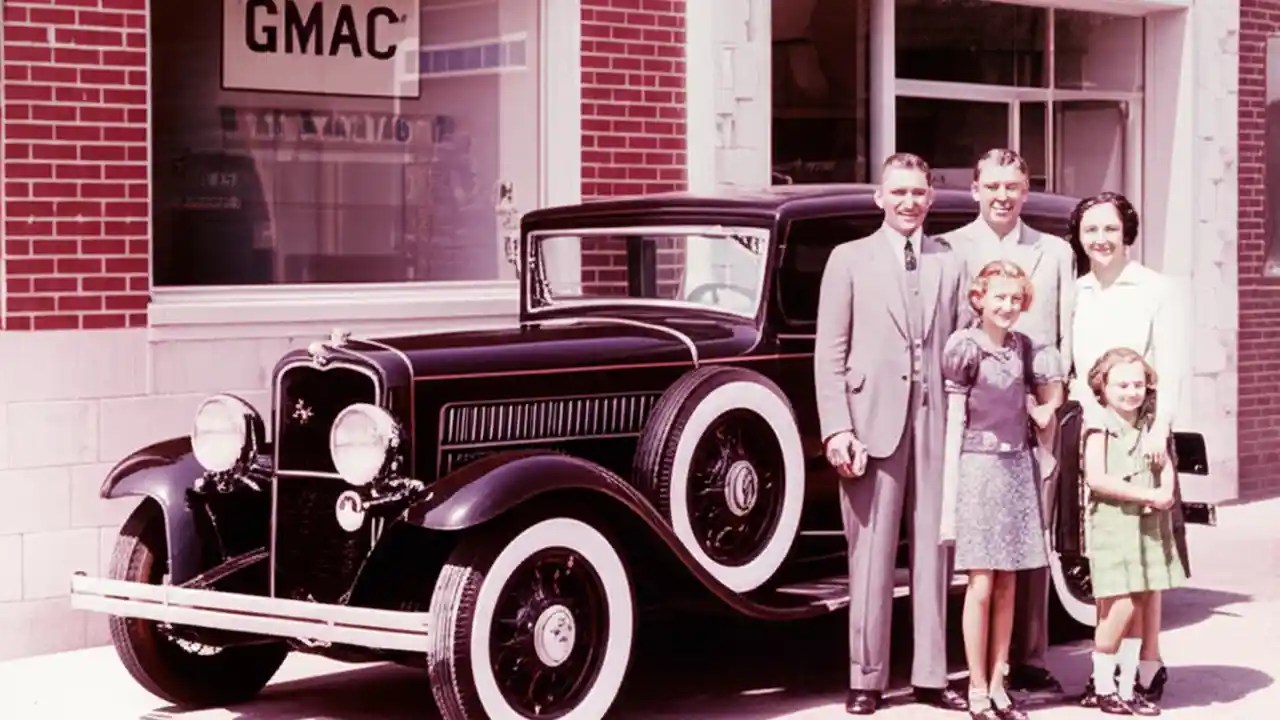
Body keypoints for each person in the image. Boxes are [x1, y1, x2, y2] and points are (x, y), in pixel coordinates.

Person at [814, 152, 970, 716]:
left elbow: (963, 341)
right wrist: (837, 428)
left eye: (918, 193)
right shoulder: (848, 259)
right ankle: (866, 678)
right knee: (871, 554)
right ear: (879, 197)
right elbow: (829, 351)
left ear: (932, 199)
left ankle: (931, 675)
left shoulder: (950, 260)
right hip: (869, 420)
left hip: (935, 420)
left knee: (935, 550)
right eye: (898, 192)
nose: (908, 202)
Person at [946, 150, 1076, 695]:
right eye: (993, 185)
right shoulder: (949, 247)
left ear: (1027, 191)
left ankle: (1028, 658)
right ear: (975, 188)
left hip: (1037, 400)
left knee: (1030, 543)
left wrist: (1052, 402)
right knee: (979, 558)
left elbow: (1063, 333)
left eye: (1014, 186)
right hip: (978, 409)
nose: (1003, 195)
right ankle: (973, 669)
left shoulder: (1055, 251)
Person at [1068, 192, 1190, 706]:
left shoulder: (1156, 289)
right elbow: (1075, 370)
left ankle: (1147, 663)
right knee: (1109, 557)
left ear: (1128, 232)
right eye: (1090, 230)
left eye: (1110, 229)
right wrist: (1092, 419)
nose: (1100, 239)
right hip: (1096, 431)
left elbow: (1173, 362)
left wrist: (1160, 429)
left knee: (1145, 557)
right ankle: (1111, 672)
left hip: (1145, 431)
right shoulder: (1077, 292)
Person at [939, 260, 1065, 720]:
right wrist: (949, 494)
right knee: (981, 583)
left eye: (1015, 299)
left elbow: (1052, 393)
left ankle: (999, 681)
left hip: (1015, 468)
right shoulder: (965, 348)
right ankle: (974, 685)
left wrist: (1047, 409)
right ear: (980, 298)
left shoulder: (1024, 348)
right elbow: (955, 421)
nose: (1007, 306)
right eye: (999, 297)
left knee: (1010, 582)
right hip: (978, 468)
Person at [1079, 347, 1186, 716]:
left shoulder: (1148, 425)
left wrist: (1167, 491)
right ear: (1102, 387)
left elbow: (1165, 462)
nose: (1131, 392)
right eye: (1122, 384)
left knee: (1140, 604)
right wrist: (1148, 494)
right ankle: (1103, 684)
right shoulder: (1100, 427)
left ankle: (1127, 687)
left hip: (1144, 525)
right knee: (1119, 606)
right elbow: (1096, 479)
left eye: (1138, 384)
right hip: (1114, 524)